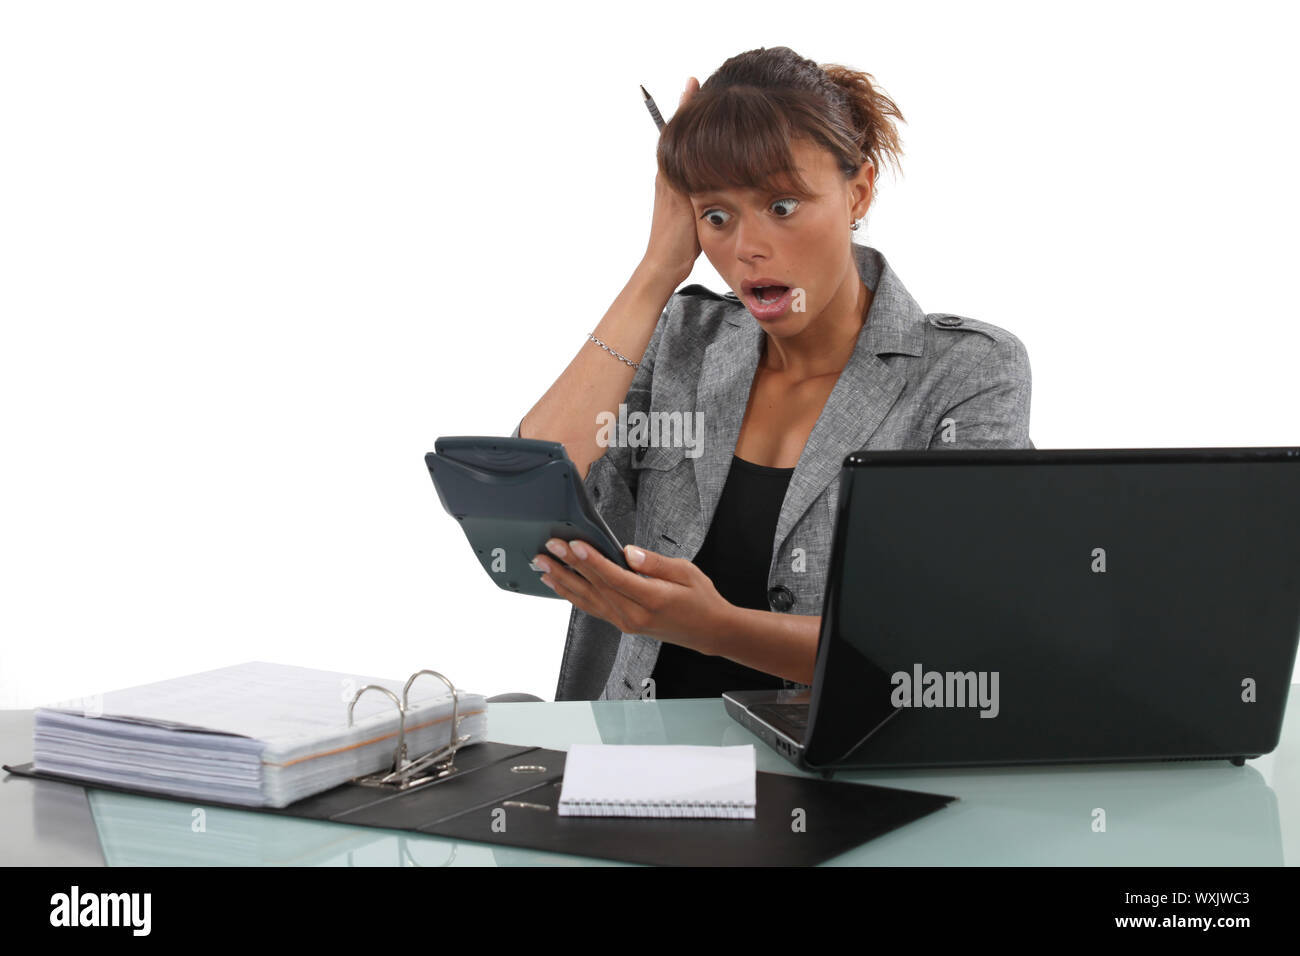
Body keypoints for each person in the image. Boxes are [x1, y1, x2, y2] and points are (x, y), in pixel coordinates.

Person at [509, 46, 1034, 701]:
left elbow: (948, 647)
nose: (747, 247)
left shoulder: (964, 374)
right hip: (632, 774)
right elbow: (529, 485)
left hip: (840, 786)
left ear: (859, 190)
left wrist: (717, 629)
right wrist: (656, 272)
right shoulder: (682, 340)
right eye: (717, 215)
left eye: (782, 206)